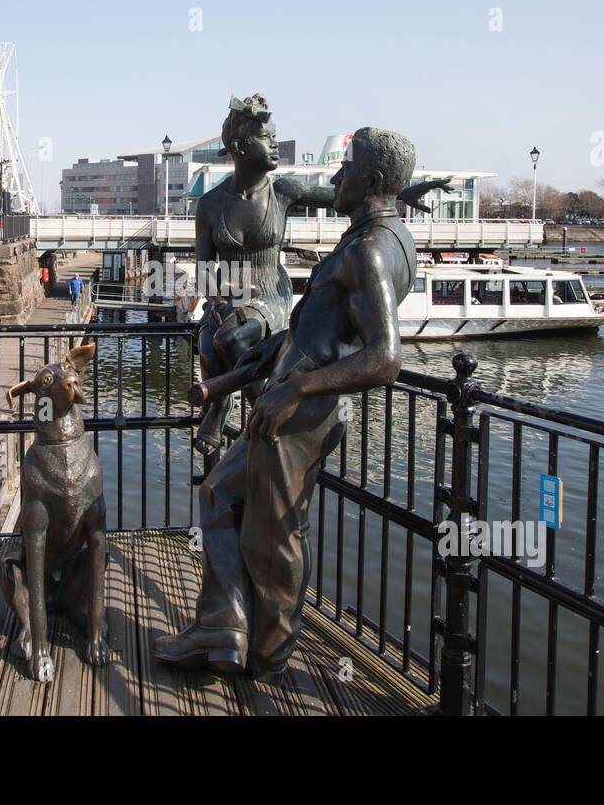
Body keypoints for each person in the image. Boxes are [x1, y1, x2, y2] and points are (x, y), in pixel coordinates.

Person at [153, 127, 422, 679]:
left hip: (298, 412)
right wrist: (271, 356)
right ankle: (223, 624)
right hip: (285, 398)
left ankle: (270, 656)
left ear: (371, 182)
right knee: (219, 494)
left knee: (276, 533)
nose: (338, 178)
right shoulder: (383, 238)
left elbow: (385, 358)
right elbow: (322, 328)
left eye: (348, 168)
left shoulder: (370, 249)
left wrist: (297, 386)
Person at [191, 93, 336, 457]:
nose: (275, 146)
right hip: (232, 293)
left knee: (233, 338)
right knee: (209, 342)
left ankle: (253, 414)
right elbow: (205, 268)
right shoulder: (210, 204)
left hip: (270, 289)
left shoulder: (282, 190)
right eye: (266, 139)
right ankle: (235, 409)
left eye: (274, 137)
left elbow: (340, 196)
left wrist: (388, 189)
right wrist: (217, 300)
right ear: (240, 146)